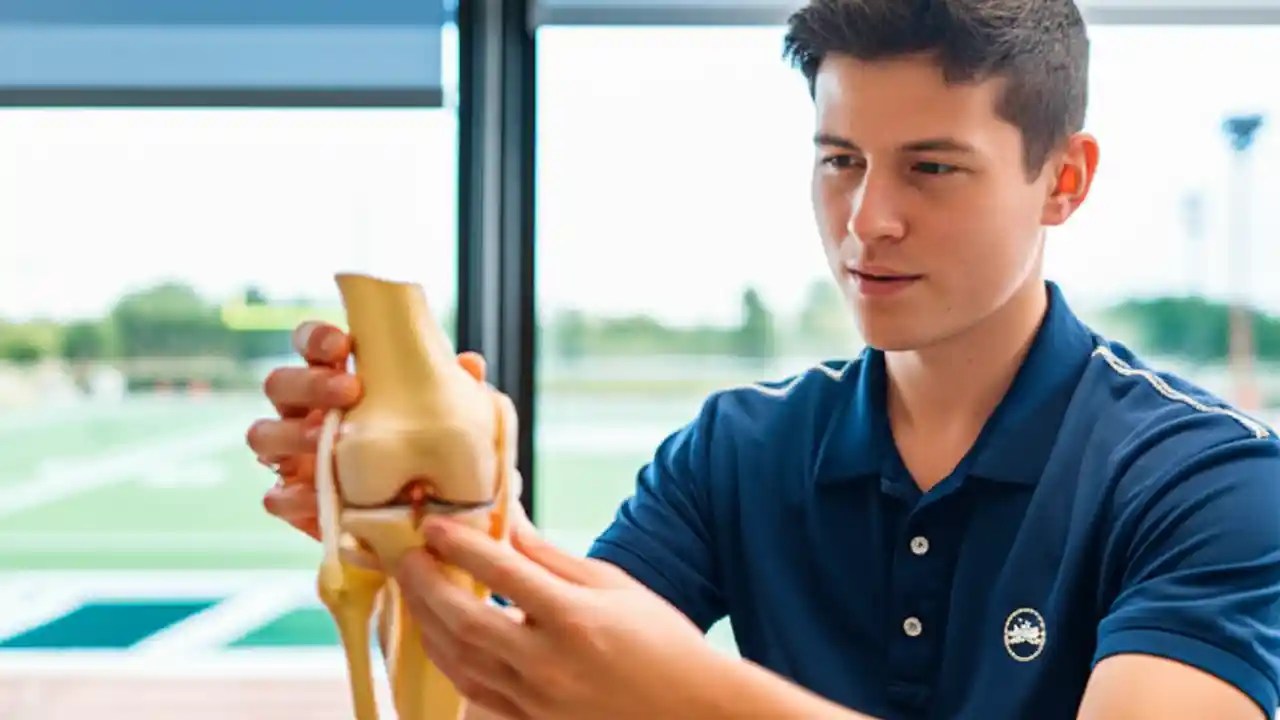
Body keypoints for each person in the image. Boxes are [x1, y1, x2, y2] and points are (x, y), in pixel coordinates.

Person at [246, 1, 1280, 718]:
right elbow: (502, 706)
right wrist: (420, 533)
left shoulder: (1208, 479)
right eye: (838, 162)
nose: (864, 223)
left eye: (930, 168)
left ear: (1063, 179)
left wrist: (684, 700)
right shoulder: (735, 450)